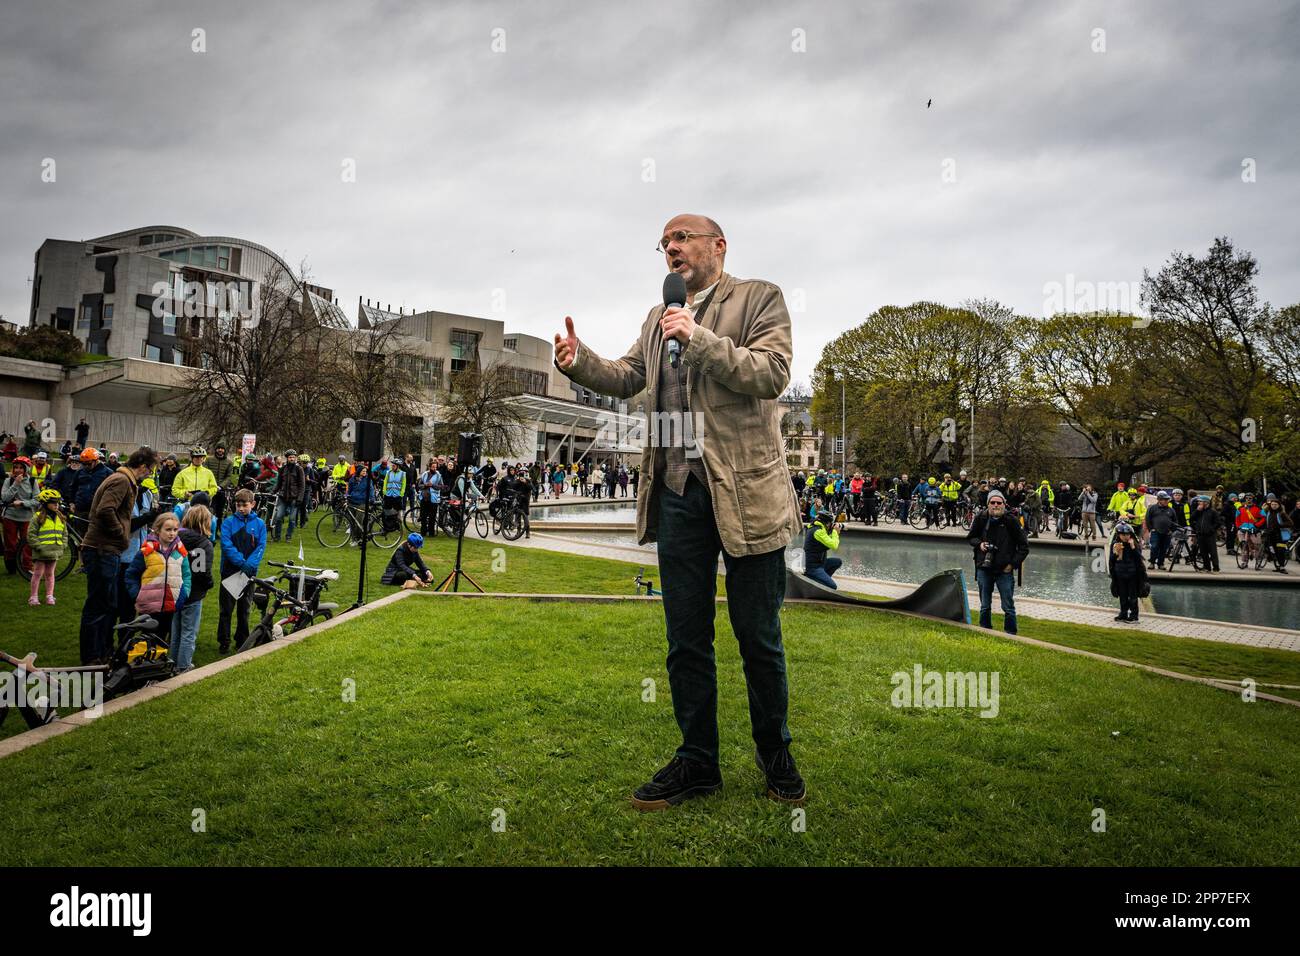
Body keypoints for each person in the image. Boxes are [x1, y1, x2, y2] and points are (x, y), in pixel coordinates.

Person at [553, 212, 806, 809]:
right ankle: (698, 762)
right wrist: (578, 359)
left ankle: (776, 756)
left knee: (758, 637)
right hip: (677, 497)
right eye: (663, 243)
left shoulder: (759, 298)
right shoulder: (655, 317)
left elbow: (771, 374)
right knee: (685, 640)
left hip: (746, 496)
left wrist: (700, 338)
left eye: (680, 238)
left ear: (718, 245)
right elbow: (628, 377)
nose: (669, 249)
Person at [78, 446, 159, 663]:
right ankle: (92, 656)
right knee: (99, 606)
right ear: (143, 466)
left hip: (105, 549)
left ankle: (100, 651)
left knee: (104, 604)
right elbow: (105, 510)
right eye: (150, 470)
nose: (150, 475)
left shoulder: (121, 479)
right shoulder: (122, 480)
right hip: (103, 549)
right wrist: (121, 535)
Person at [966, 490, 1029, 634]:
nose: (995, 505)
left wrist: (1012, 565)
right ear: (987, 504)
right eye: (992, 502)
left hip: (1004, 570)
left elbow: (1024, 547)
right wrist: (980, 544)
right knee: (985, 606)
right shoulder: (981, 517)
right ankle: (984, 632)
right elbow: (971, 538)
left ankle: (1011, 634)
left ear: (1004, 504)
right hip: (984, 567)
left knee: (1008, 606)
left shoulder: (1011, 520)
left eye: (998, 503)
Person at [125, 513, 190, 643]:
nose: (172, 533)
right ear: (158, 530)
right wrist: (137, 595)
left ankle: (159, 662)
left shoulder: (180, 552)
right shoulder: (146, 552)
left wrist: (184, 593)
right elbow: (131, 575)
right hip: (148, 606)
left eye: (175, 530)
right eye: (168, 529)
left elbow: (187, 574)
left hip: (170, 604)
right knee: (146, 640)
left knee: (162, 640)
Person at [217, 488, 267, 654]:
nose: (240, 508)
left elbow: (261, 547)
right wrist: (240, 562)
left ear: (252, 504)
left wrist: (249, 565)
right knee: (226, 609)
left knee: (244, 609)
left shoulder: (259, 524)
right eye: (238, 505)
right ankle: (223, 640)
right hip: (230, 571)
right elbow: (226, 545)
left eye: (244, 505)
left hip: (248, 573)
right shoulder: (228, 522)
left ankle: (242, 640)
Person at [174, 504, 215, 671]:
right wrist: (210, 584)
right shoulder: (204, 544)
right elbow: (202, 571)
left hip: (176, 589)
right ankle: (183, 666)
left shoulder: (176, 538)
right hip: (194, 593)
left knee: (176, 630)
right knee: (189, 632)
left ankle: (172, 661)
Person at [27, 488, 66, 605]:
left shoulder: (60, 517)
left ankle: (50, 596)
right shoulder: (37, 517)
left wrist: (63, 545)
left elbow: (65, 534)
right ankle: (33, 597)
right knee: (38, 573)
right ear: (45, 504)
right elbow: (31, 534)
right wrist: (39, 547)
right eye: (53, 502)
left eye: (58, 502)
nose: (56, 505)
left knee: (50, 574)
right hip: (41, 552)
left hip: (54, 551)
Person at [2, 457, 38, 574]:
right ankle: (11, 568)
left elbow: (37, 501)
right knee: (10, 544)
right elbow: (5, 498)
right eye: (15, 467)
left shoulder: (33, 481)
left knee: (27, 543)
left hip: (27, 517)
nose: (17, 470)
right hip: (10, 516)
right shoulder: (9, 481)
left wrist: (23, 503)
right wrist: (16, 484)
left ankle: (26, 567)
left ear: (26, 469)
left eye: (21, 468)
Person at [1108, 523, 1147, 622]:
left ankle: (1134, 615)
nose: (1126, 536)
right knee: (1123, 595)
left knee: (1133, 596)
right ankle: (1123, 613)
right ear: (1119, 535)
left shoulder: (1134, 544)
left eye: (1127, 534)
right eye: (1123, 535)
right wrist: (1116, 553)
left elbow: (1139, 559)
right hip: (1120, 574)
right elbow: (1111, 560)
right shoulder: (1115, 545)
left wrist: (1133, 547)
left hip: (1132, 574)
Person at [271, 449, 306, 543]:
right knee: (278, 517)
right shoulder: (282, 469)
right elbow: (279, 483)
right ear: (287, 458)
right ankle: (277, 536)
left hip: (294, 498)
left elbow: (302, 485)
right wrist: (273, 491)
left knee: (292, 519)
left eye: (293, 457)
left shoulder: (299, 469)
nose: (292, 459)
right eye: (290, 457)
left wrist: (300, 498)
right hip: (283, 497)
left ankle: (288, 536)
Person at [802, 509, 843, 589]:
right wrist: (835, 532)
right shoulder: (817, 531)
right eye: (830, 523)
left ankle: (823, 580)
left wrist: (833, 532)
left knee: (837, 562)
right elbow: (834, 545)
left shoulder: (819, 529)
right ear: (827, 523)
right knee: (832, 586)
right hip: (813, 567)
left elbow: (828, 541)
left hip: (820, 564)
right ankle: (810, 580)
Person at [1261, 493, 1293, 573]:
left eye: (1276, 504)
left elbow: (1290, 523)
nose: (1274, 506)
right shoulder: (1268, 513)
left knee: (1280, 551)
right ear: (1270, 505)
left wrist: (1281, 525)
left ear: (1279, 505)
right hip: (1270, 535)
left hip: (1280, 536)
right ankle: (1277, 566)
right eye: (1272, 504)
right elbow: (1261, 516)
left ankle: (1282, 567)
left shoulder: (1282, 513)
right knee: (1273, 551)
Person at [1145, 490, 1176, 570]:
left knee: (1163, 548)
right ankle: (1152, 562)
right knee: (1154, 547)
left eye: (1167, 499)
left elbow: (1175, 521)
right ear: (1159, 500)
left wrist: (1171, 530)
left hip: (1167, 533)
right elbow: (1148, 519)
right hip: (1155, 531)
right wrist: (1151, 529)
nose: (1166, 501)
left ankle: (1160, 564)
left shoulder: (1171, 510)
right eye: (1164, 499)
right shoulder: (1152, 508)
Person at [1192, 495, 1222, 572]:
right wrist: (1197, 511)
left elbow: (1218, 523)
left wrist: (1211, 530)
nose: (1199, 503)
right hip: (1200, 534)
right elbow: (1191, 519)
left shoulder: (1213, 512)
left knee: (1213, 552)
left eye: (1200, 501)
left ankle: (1216, 568)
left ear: (1206, 502)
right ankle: (1207, 567)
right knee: (1203, 552)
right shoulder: (1198, 511)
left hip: (1210, 535)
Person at [209, 444, 237, 527]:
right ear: (216, 450)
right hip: (210, 489)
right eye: (218, 448)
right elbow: (205, 473)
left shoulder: (229, 462)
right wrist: (212, 485)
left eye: (222, 448)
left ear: (224, 450)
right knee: (210, 510)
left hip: (221, 490)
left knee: (220, 511)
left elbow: (229, 477)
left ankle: (217, 529)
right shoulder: (208, 460)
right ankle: (207, 529)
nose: (220, 450)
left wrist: (221, 486)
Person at [418, 459, 443, 535]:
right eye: (433, 467)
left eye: (436, 467)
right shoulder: (424, 474)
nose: (435, 469)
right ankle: (423, 532)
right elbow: (419, 485)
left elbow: (441, 486)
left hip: (433, 499)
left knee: (432, 517)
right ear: (429, 467)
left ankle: (431, 532)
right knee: (423, 517)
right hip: (424, 498)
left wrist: (432, 485)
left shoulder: (438, 475)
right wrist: (425, 485)